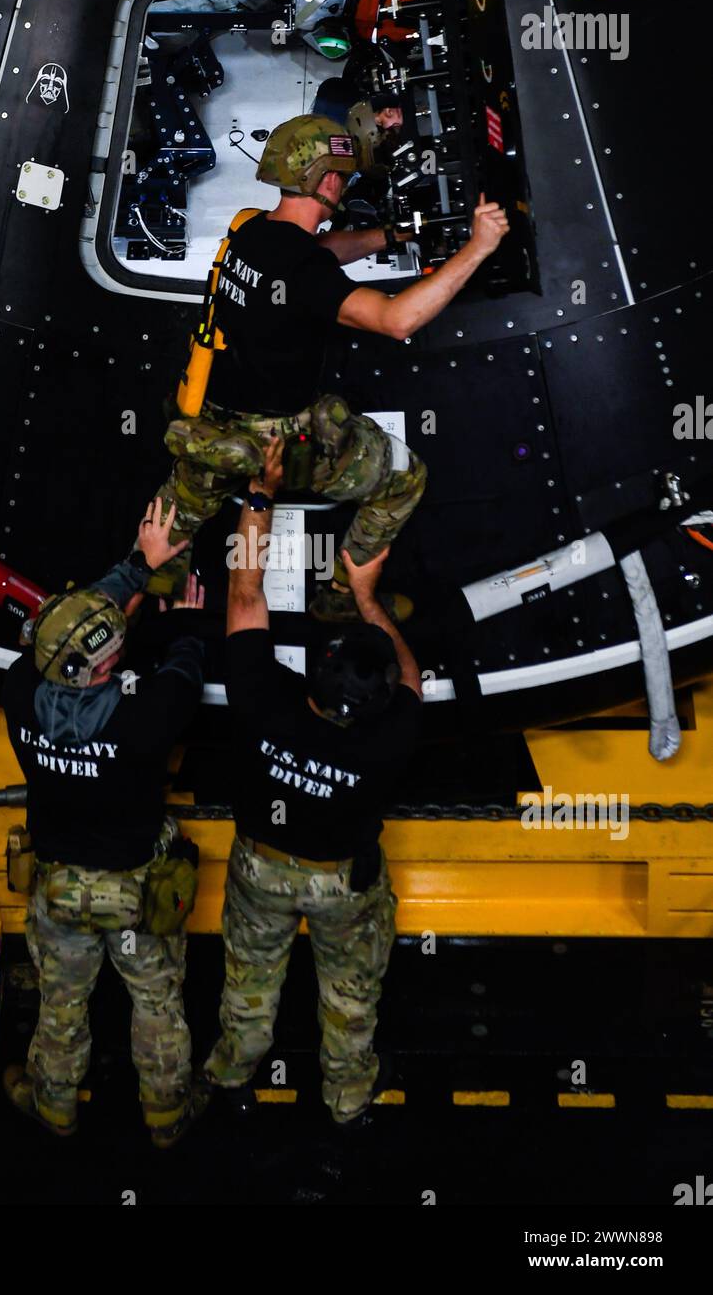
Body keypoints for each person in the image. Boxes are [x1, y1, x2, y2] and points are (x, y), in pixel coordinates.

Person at [138, 114, 508, 622]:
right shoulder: (304, 273)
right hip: (278, 438)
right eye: (343, 174)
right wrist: (476, 249)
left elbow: (320, 252)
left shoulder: (249, 230)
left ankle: (153, 586)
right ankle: (340, 598)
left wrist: (391, 236)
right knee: (405, 478)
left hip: (208, 414)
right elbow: (397, 320)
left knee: (175, 513)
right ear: (328, 180)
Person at [202, 440, 423, 1126]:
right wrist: (366, 596)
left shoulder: (263, 696)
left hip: (261, 870)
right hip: (343, 887)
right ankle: (347, 1097)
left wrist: (261, 496)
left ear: (316, 674)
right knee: (351, 994)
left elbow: (245, 590)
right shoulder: (390, 739)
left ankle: (232, 1073)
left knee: (248, 980)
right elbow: (414, 680)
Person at [1, 501, 209, 1148]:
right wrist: (187, 621)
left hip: (59, 891)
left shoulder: (17, 692)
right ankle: (167, 1113)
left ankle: (53, 1103)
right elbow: (186, 664)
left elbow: (73, 627)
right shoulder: (146, 717)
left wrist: (135, 569)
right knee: (157, 1003)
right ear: (108, 668)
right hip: (137, 893)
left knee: (61, 1003)